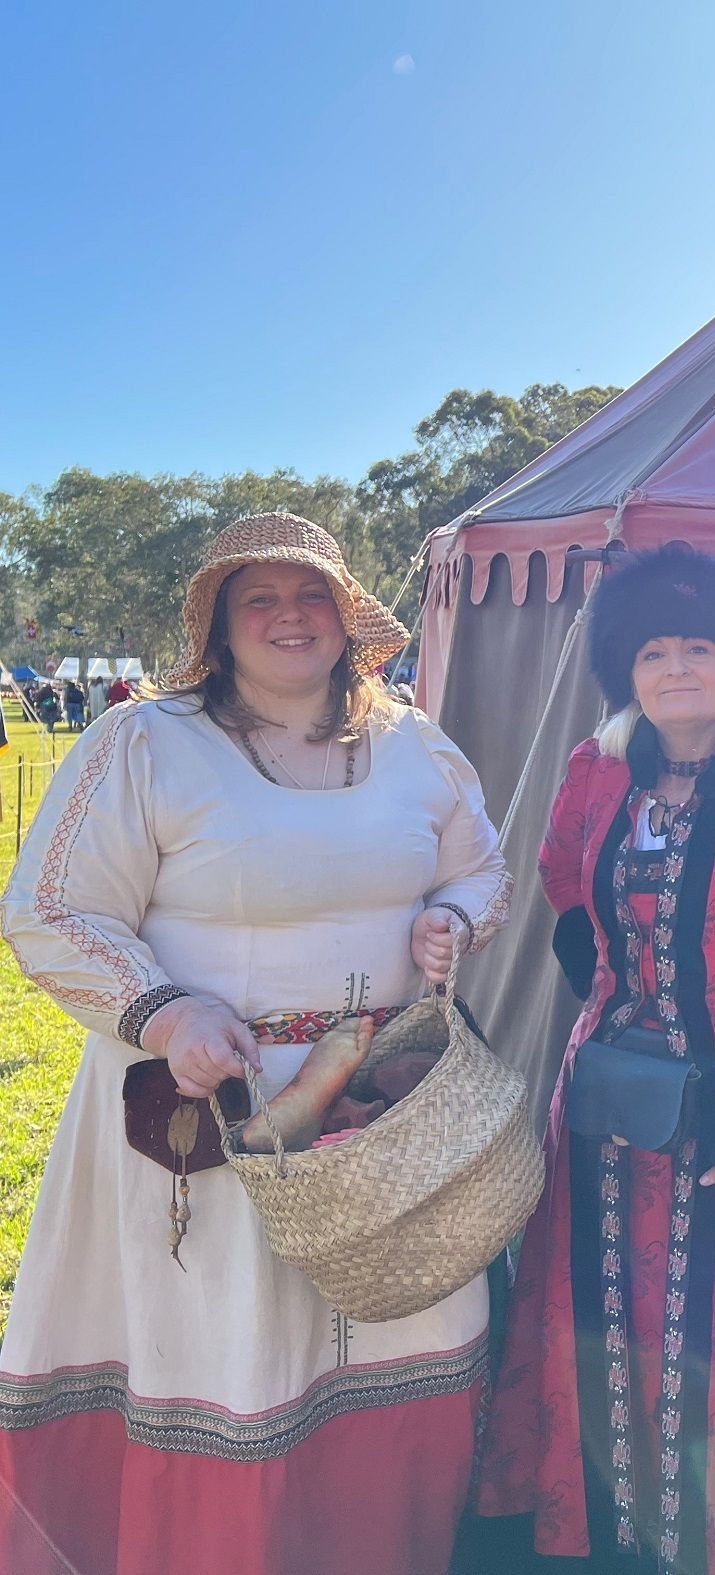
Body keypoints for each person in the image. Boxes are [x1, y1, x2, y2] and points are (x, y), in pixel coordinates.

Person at [0, 512, 512, 1575]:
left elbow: (482, 868)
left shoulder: (416, 740)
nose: (290, 616)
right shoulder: (144, 740)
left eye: (310, 594)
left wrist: (453, 920)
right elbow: (51, 909)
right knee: (229, 1345)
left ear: (347, 616)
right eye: (258, 599)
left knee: (390, 1329)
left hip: (381, 1110)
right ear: (221, 627)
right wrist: (165, 1013)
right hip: (207, 1110)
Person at [471, 546, 715, 1574]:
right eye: (651, 652)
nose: (675, 668)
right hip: (607, 1110)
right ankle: (605, 1524)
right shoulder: (597, 778)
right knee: (598, 1316)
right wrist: (621, 997)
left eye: (697, 648)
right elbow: (561, 885)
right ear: (625, 674)